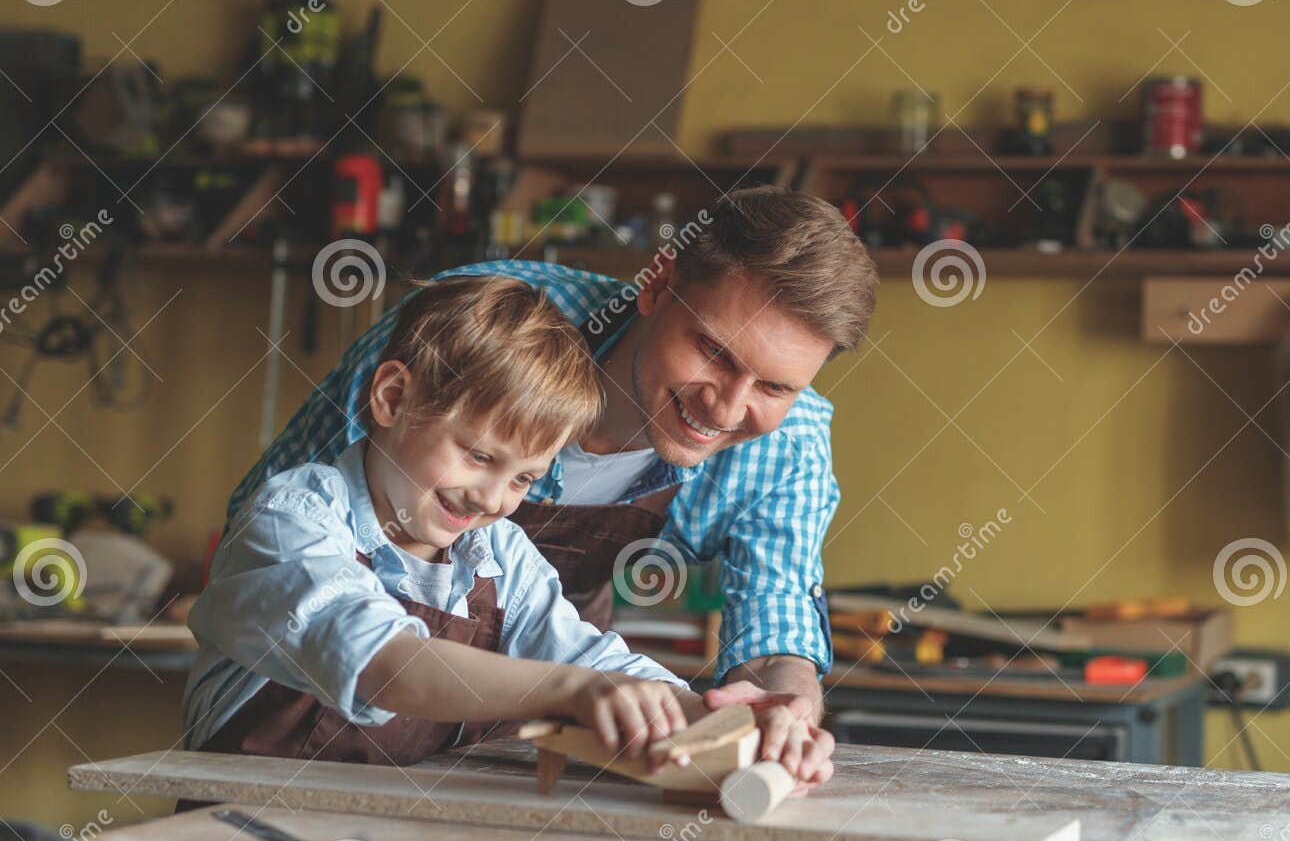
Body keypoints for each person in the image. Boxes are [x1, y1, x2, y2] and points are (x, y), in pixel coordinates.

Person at [229, 187, 877, 789]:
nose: (729, 408)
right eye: (715, 351)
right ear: (656, 285)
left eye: (775, 387)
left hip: (475, 751)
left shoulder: (505, 559)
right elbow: (295, 553)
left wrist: (762, 716)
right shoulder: (481, 334)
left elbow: (764, 632)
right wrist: (569, 688)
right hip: (284, 742)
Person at [183, 276, 698, 766]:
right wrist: (572, 689)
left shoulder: (498, 555)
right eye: (478, 456)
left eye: (524, 479)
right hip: (244, 836)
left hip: (397, 840)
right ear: (392, 397)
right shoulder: (293, 522)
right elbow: (389, 666)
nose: (491, 499)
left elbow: (591, 657)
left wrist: (712, 713)